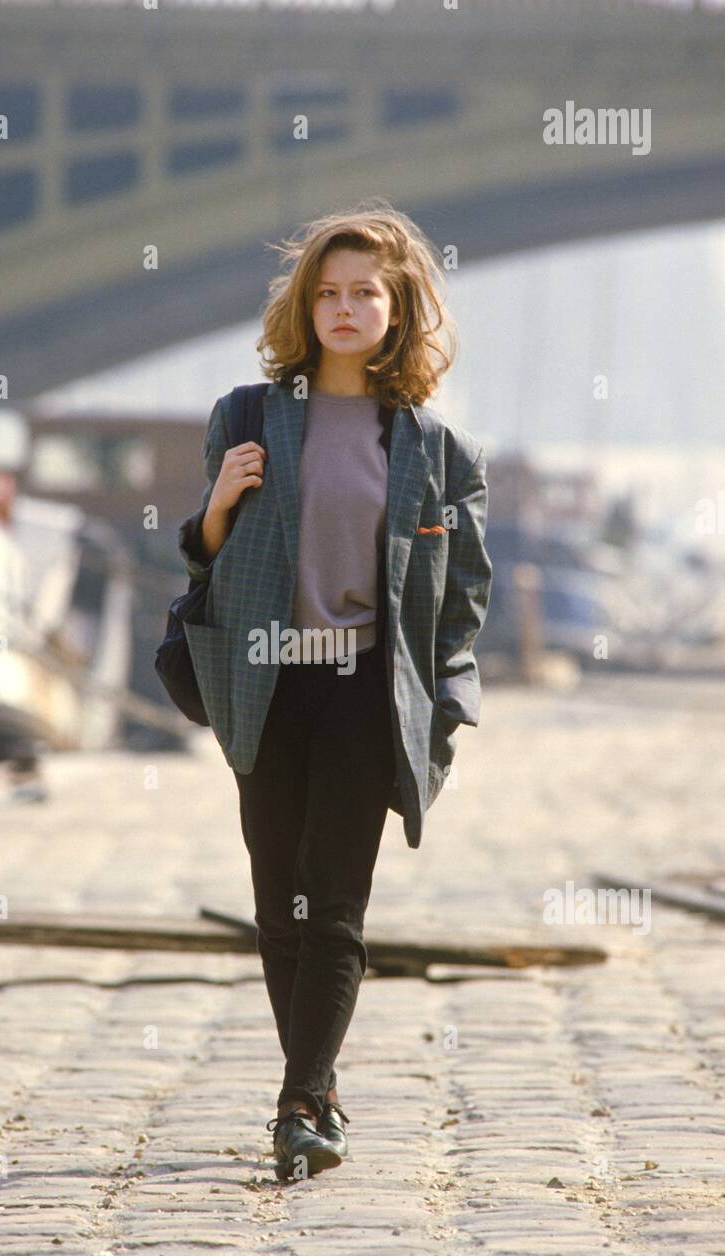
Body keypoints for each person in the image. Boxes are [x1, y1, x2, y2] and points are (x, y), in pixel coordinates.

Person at [177, 201, 493, 1181]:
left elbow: (464, 595)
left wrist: (443, 702)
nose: (345, 307)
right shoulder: (247, 415)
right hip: (268, 678)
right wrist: (221, 499)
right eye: (328, 292)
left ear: (398, 309)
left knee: (336, 903)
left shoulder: (435, 452)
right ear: (305, 307)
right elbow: (201, 563)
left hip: (365, 685)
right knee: (281, 905)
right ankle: (313, 1083)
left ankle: (302, 1102)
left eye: (366, 292)